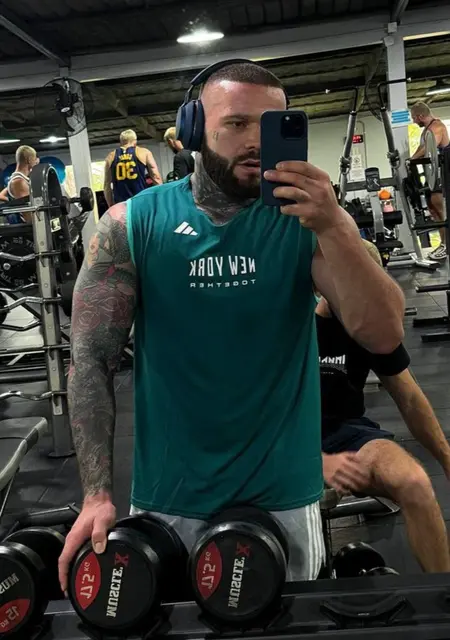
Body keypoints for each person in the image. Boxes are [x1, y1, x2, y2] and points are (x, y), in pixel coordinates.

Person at [58, 60, 405, 592]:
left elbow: (382, 335)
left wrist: (335, 224)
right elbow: (90, 362)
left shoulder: (307, 223)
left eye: (270, 125)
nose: (256, 142)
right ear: (195, 129)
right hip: (170, 499)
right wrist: (96, 495)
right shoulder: (130, 225)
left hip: (285, 496)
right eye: (237, 123)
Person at [318, 239, 450, 573]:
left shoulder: (369, 327)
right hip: (286, 438)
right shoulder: (293, 326)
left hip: (348, 435)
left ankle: (442, 591)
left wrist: (447, 459)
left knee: (414, 481)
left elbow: (409, 398)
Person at [410, 102, 449, 261]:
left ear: (420, 116)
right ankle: (443, 243)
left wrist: (412, 159)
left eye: (414, 118)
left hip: (443, 171)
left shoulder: (437, 126)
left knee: (440, 209)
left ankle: (446, 245)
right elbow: (424, 148)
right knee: (433, 209)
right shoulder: (426, 130)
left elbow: (429, 148)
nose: (414, 121)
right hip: (433, 174)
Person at [103, 129, 162, 206]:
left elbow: (107, 185)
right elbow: (156, 176)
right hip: (140, 201)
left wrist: (111, 206)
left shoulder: (111, 157)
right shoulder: (143, 152)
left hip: (121, 204)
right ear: (135, 141)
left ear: (121, 142)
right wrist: (161, 198)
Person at [0, 145, 39, 223]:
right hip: (27, 228)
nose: (36, 162)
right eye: (35, 159)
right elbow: (28, 215)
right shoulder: (18, 182)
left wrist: (12, 202)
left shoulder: (18, 179)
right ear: (29, 160)